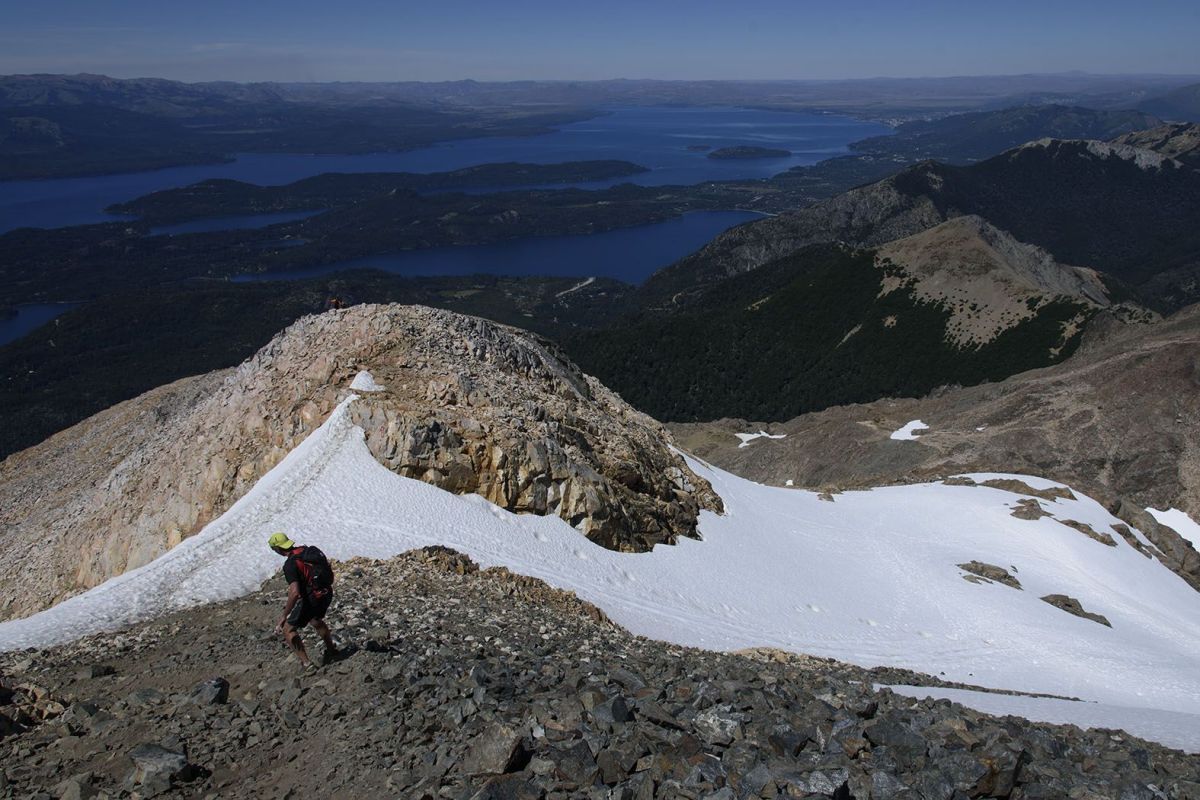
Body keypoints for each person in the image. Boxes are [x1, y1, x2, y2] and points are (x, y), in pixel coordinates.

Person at [267, 532, 339, 671]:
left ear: (278, 549)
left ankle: (307, 664)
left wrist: (284, 615)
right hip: (326, 592)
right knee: (315, 620)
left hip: (312, 598)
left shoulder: (290, 564)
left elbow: (294, 592)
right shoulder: (306, 551)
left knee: (288, 629)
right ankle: (332, 651)